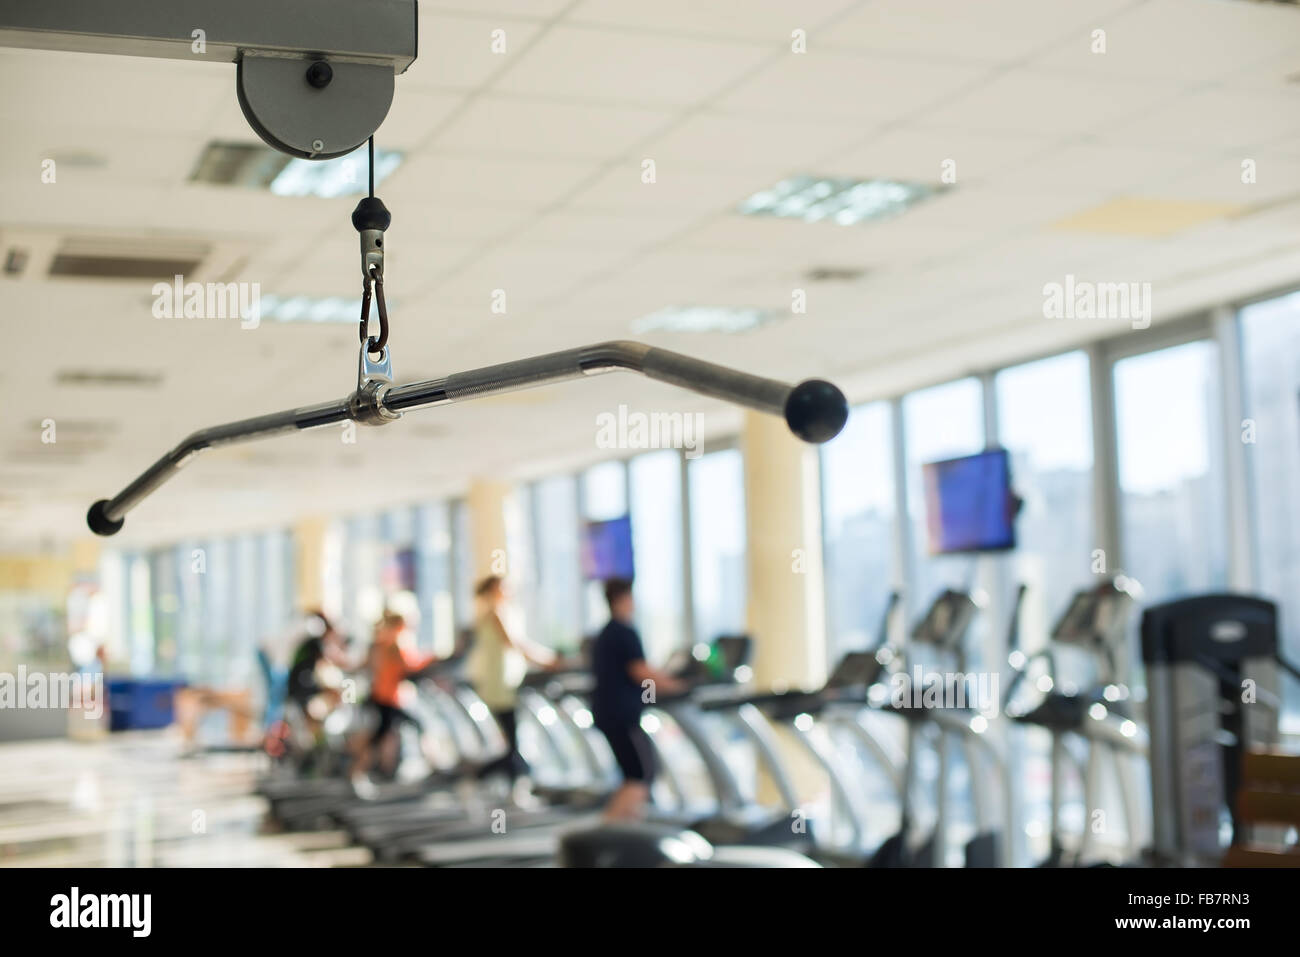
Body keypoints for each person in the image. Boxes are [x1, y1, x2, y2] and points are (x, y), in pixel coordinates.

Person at [590, 578, 683, 820]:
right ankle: (609, 833)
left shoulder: (607, 632)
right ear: (622, 600)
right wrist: (678, 685)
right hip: (622, 715)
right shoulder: (624, 632)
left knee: (636, 773)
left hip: (609, 712)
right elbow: (641, 672)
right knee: (642, 774)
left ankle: (618, 829)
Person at [467, 575, 555, 796]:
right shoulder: (496, 614)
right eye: (502, 587)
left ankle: (513, 789)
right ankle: (476, 778)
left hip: (503, 685)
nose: (508, 590)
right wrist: (549, 660)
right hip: (500, 688)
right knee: (512, 745)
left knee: (512, 743)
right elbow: (515, 644)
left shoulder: (493, 615)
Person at [350, 611, 436, 794]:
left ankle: (384, 769)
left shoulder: (379, 643)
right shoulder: (395, 643)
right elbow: (410, 665)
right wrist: (433, 657)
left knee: (387, 735)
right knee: (393, 733)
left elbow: (365, 665)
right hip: (387, 699)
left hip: (381, 697)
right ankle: (360, 772)